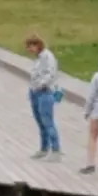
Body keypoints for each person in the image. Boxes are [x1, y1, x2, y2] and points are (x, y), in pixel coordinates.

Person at [25, 33, 61, 161]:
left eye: (30, 46)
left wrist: (42, 84)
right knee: (40, 122)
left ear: (37, 45)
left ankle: (56, 150)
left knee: (47, 121)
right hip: (34, 91)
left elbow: (51, 73)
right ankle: (43, 148)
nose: (29, 50)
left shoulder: (47, 56)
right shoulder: (38, 58)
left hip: (44, 92)